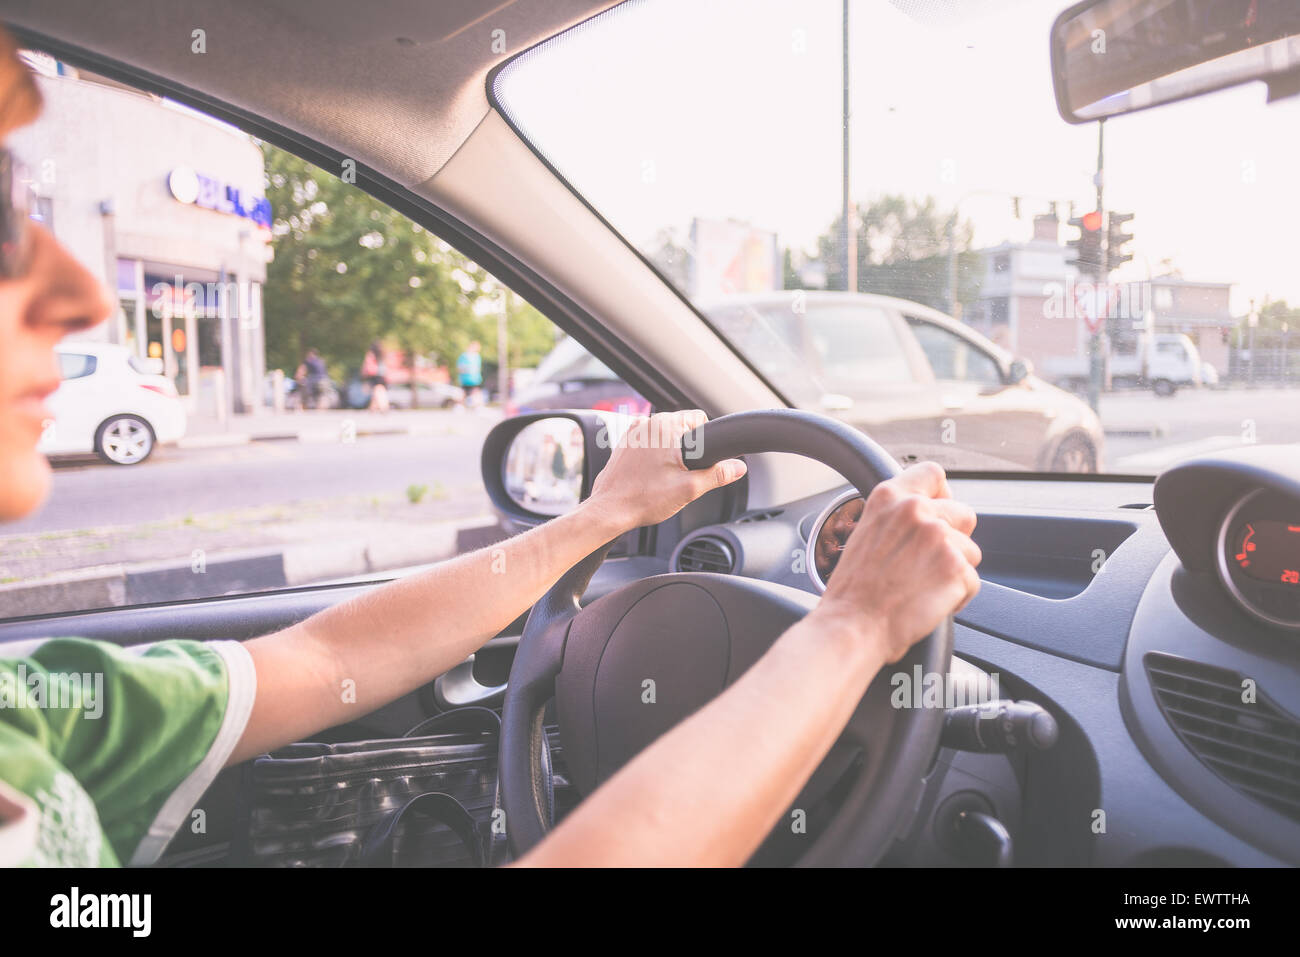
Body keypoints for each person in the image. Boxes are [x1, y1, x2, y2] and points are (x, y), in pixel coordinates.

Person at [0, 31, 979, 867]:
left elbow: (329, 651)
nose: (85, 299)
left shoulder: (32, 709)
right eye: (9, 223)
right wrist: (850, 629)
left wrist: (603, 519)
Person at [362, 339, 389, 413]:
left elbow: (367, 365)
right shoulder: (382, 354)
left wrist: (364, 374)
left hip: (374, 374)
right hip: (382, 375)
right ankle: (373, 408)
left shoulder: (371, 354)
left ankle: (383, 406)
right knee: (379, 390)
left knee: (378, 390)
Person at [456, 340, 483, 407]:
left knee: (475, 392)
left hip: (475, 378)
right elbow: (460, 367)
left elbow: (477, 368)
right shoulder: (464, 356)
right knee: (464, 392)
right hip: (466, 378)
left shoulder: (477, 356)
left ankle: (478, 406)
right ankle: (460, 405)